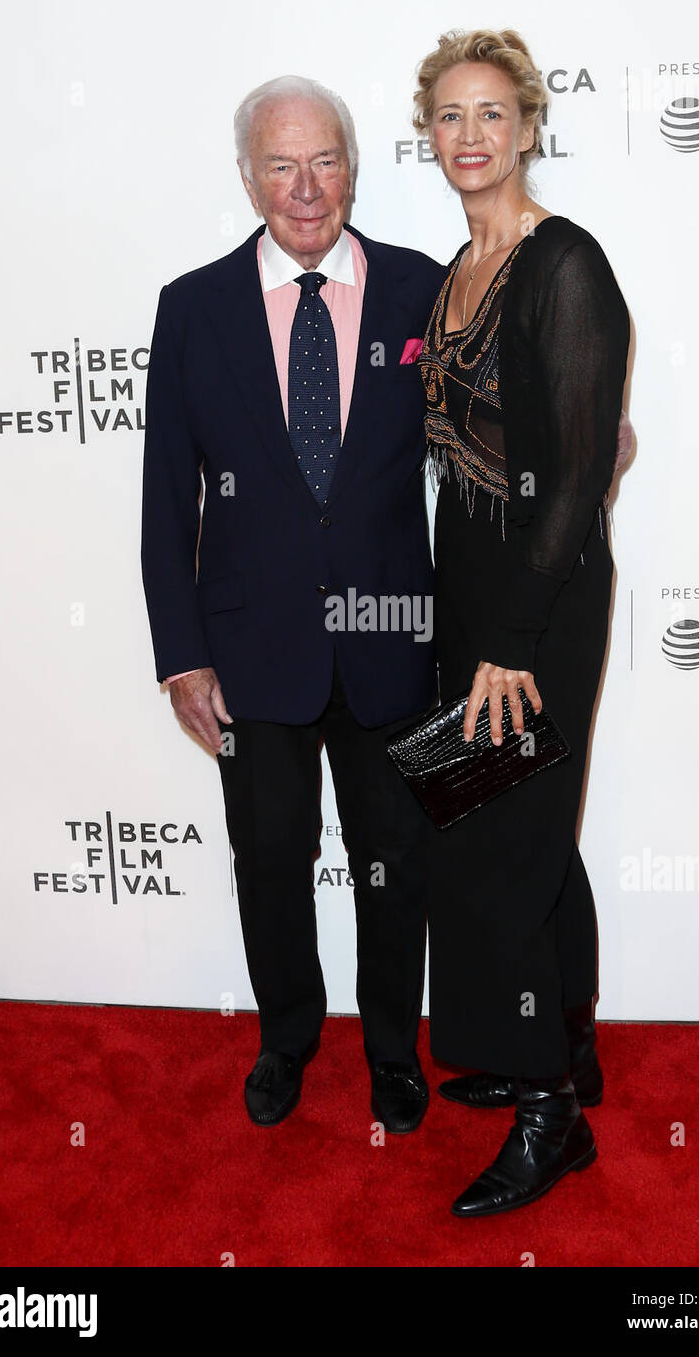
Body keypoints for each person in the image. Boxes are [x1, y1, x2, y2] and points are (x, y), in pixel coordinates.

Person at [140, 76, 444, 1133]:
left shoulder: (422, 290)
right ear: (246, 175)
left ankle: (393, 1050)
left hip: (390, 642)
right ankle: (286, 1037)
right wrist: (180, 652)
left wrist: (588, 440)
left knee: (392, 862)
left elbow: (492, 430)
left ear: (352, 168)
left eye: (324, 161)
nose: (305, 187)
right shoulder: (192, 309)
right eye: (281, 163)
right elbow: (163, 492)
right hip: (249, 645)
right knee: (269, 861)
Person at [412, 29, 631, 1216]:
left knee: (505, 841)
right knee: (504, 823)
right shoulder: (459, 264)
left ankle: (555, 1118)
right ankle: (564, 1042)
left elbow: (583, 463)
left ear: (530, 126)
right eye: (449, 116)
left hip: (539, 591)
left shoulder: (563, 264)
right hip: (469, 574)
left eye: (491, 114)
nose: (470, 136)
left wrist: (510, 634)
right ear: (427, 133)